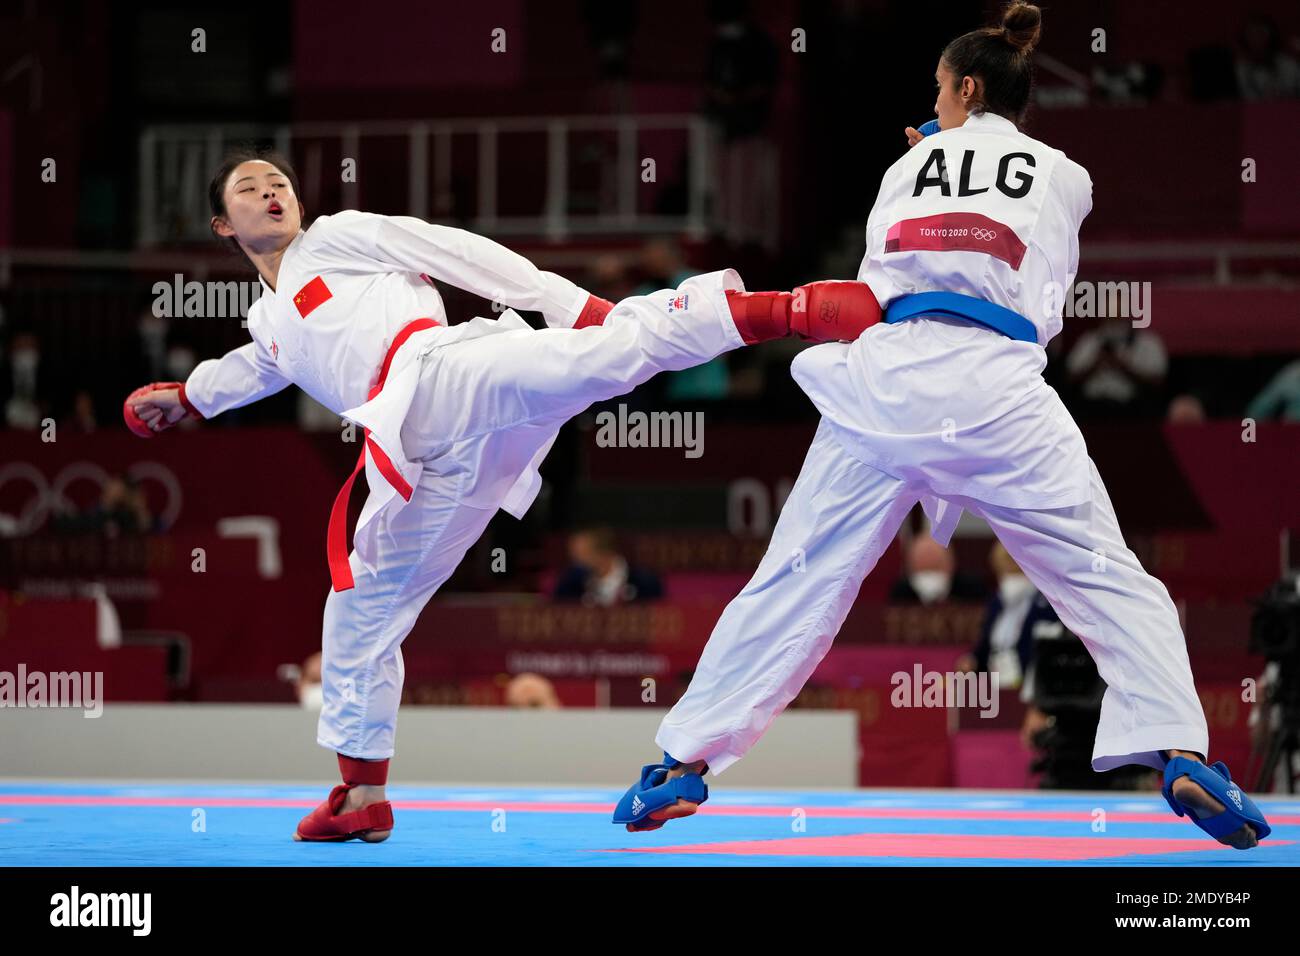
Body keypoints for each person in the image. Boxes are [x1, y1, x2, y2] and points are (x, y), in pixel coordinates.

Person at [615, 2, 1270, 849]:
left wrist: (928, 153)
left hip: (885, 387)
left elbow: (869, 296)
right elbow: (1043, 276)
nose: (934, 100)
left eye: (939, 88)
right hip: (999, 392)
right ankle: (1182, 751)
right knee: (1110, 577)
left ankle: (684, 763)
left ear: (963, 86)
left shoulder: (904, 169)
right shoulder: (1068, 173)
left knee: (797, 577)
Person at [123, 149, 879, 843]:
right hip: (428, 460)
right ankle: (361, 795)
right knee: (360, 605)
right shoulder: (268, 316)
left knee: (602, 349)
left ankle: (792, 310)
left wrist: (563, 299)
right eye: (251, 190)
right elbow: (257, 365)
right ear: (225, 224)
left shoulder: (338, 236)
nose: (272, 193)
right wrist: (186, 396)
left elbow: (457, 251)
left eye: (279, 182)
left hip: (449, 374)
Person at [553, 527, 663, 606]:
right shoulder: (570, 583)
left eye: (583, 554)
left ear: (604, 553)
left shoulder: (644, 581)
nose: (576, 561)